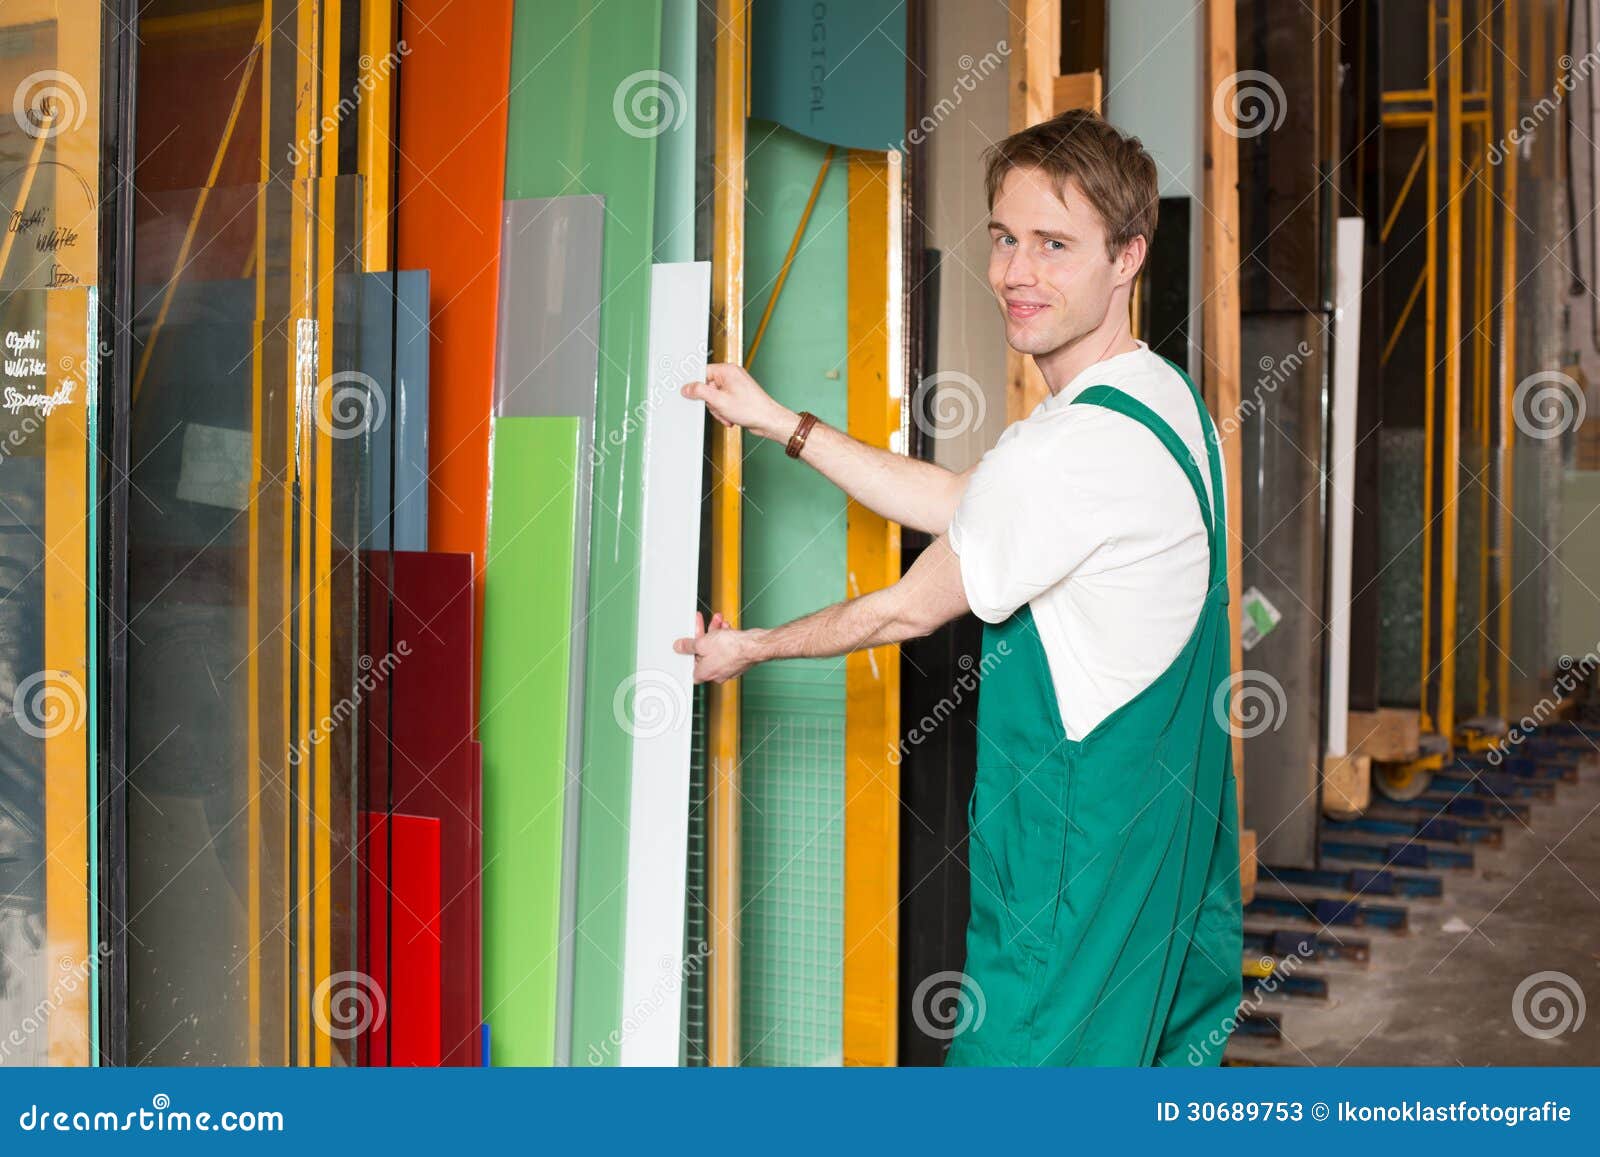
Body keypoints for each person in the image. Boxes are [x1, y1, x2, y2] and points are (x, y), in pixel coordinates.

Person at [675, 108, 1243, 1066]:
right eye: (1005, 239)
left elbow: (906, 606)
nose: (1018, 274)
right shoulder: (1162, 400)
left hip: (1068, 897)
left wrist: (750, 647)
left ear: (1128, 257)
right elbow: (967, 504)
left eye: (1055, 246)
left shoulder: (1066, 450)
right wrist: (780, 422)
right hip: (1159, 880)